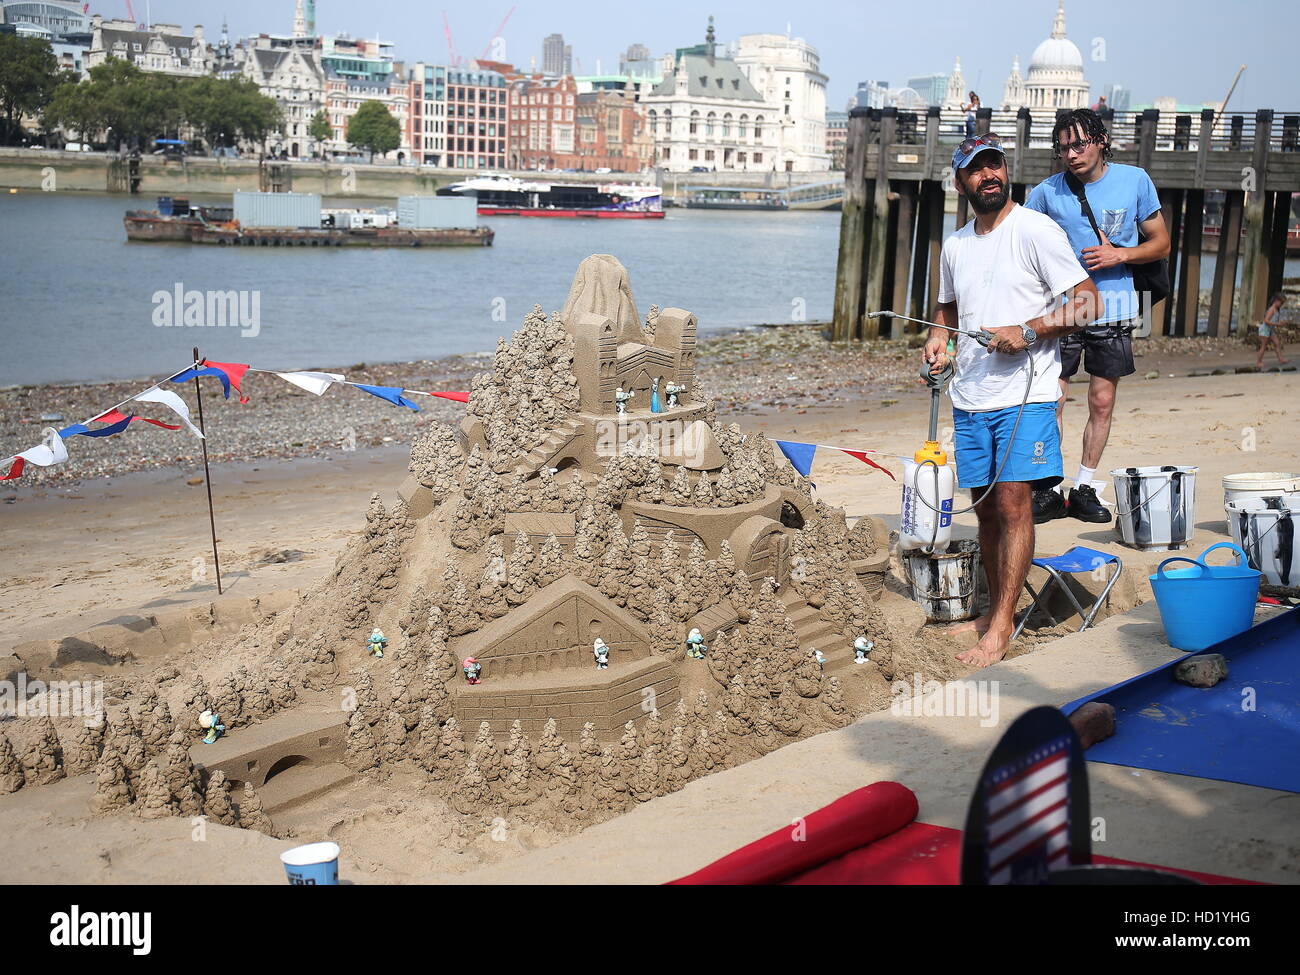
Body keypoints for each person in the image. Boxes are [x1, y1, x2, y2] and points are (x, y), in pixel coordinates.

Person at [926, 133, 1100, 667]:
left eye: (995, 164)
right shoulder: (955, 246)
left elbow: (1088, 303)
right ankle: (989, 611)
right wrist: (939, 343)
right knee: (983, 511)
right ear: (961, 183)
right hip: (970, 396)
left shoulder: (1035, 229)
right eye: (977, 170)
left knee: (1013, 503)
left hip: (1028, 392)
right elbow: (947, 314)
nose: (989, 175)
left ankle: (1002, 625)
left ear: (1006, 170)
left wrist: (1030, 329)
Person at [1024, 108, 1170, 524]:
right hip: (1065, 310)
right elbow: (1019, 235)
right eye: (1063, 147)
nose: (1071, 154)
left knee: (1101, 401)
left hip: (1115, 307)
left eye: (1079, 144)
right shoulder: (1049, 192)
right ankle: (1048, 489)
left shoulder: (1135, 180)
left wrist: (1119, 254)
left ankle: (1085, 488)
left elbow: (1160, 244)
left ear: (1101, 140)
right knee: (1051, 399)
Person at [1256, 293, 1289, 369]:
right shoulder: (1271, 309)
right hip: (1265, 330)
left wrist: (1281, 323)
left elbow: (1273, 320)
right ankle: (1258, 362)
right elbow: (1266, 321)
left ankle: (1280, 359)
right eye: (1281, 303)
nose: (1281, 304)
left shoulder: (1276, 309)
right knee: (1263, 347)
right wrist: (1277, 324)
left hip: (1270, 330)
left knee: (1277, 343)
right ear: (1276, 301)